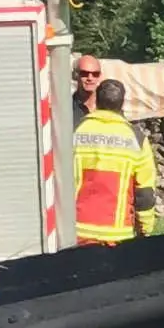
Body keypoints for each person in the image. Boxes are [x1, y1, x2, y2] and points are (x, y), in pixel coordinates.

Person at [69, 77, 155, 245]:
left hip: (78, 230)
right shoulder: (136, 138)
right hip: (117, 234)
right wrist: (145, 228)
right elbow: (144, 192)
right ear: (122, 104)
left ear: (97, 101)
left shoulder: (76, 131)